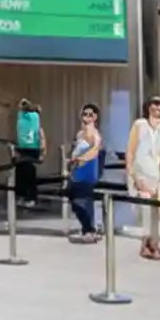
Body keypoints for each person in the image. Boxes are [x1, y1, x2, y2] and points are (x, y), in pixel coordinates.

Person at [127, 96, 160, 260]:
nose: (158, 109)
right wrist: (133, 174)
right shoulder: (139, 125)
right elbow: (131, 150)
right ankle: (145, 245)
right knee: (145, 210)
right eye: (155, 105)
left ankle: (155, 242)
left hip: (157, 173)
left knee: (156, 211)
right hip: (141, 170)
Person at [67, 103, 102, 244]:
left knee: (83, 200)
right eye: (84, 114)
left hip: (87, 170)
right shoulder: (80, 133)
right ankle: (88, 228)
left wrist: (81, 158)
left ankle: (89, 230)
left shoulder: (95, 133)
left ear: (95, 117)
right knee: (75, 199)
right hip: (77, 170)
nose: (87, 117)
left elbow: (95, 150)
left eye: (90, 114)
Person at [13, 99, 45, 208]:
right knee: (21, 170)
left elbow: (42, 140)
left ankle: (29, 197)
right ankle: (23, 195)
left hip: (30, 152)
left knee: (28, 170)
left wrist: (42, 153)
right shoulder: (25, 124)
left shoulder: (29, 124)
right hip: (26, 151)